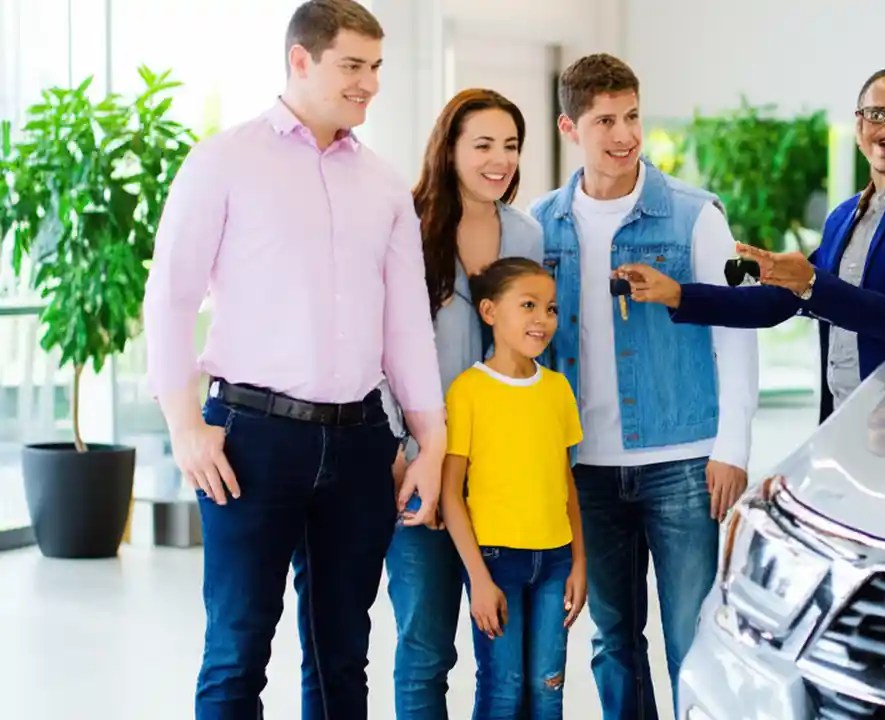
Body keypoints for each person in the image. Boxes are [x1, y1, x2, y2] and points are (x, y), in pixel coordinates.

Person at [141, 2, 446, 718]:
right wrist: (186, 426)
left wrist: (431, 442)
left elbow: (405, 327)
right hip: (251, 436)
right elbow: (170, 298)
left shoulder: (383, 185)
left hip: (361, 441)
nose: (370, 84)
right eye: (353, 66)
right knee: (237, 650)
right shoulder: (223, 160)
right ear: (301, 61)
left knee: (343, 655)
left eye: (376, 68)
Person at [529, 53, 759, 719]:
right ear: (570, 127)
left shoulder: (694, 217)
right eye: (605, 120)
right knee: (613, 641)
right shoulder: (540, 226)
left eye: (632, 116)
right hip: (585, 468)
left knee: (693, 637)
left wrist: (733, 445)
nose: (625, 134)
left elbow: (735, 330)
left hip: (683, 461)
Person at [619, 68, 885, 421]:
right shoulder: (843, 216)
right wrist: (678, 295)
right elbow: (779, 303)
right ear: (859, 127)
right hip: (839, 417)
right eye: (877, 114)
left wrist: (811, 283)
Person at [381, 88, 543, 720]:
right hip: (425, 465)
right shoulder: (409, 226)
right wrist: (402, 449)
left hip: (504, 479)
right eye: (482, 145)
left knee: (504, 654)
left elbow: (539, 347)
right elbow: (383, 348)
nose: (499, 160)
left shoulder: (527, 231)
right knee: (424, 651)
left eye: (510, 146)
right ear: (448, 150)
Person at [437, 258, 588, 720]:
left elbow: (566, 484)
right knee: (503, 691)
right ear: (489, 311)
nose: (542, 319)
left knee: (548, 690)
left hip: (556, 559)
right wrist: (478, 580)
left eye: (551, 308)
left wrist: (580, 562)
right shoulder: (468, 392)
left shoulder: (558, 389)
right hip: (496, 561)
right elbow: (450, 496)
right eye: (528, 305)